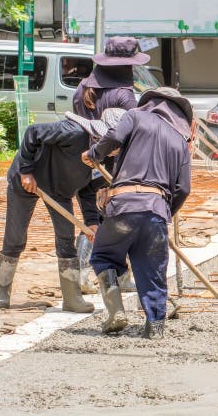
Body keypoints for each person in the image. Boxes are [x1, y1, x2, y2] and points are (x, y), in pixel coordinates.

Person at [83, 87, 193, 339]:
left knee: (104, 256)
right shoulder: (179, 141)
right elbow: (184, 188)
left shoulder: (134, 117)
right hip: (156, 212)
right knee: (152, 271)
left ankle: (116, 312)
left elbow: (113, 137)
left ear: (150, 103)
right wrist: (164, 213)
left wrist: (93, 153)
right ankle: (155, 326)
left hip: (123, 206)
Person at [0, 109, 124, 312]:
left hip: (60, 191)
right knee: (15, 237)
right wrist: (26, 171)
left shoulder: (107, 158)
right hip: (27, 182)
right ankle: (1, 293)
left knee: (66, 239)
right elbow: (33, 132)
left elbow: (87, 189)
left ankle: (72, 299)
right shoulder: (73, 132)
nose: (117, 149)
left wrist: (91, 222)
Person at [72, 36, 148, 294]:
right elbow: (132, 133)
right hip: (113, 169)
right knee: (117, 223)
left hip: (84, 163)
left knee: (92, 221)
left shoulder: (82, 88)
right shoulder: (124, 96)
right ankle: (120, 276)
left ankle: (81, 277)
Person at [72, 36, 149, 120]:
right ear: (126, 67)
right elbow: (137, 123)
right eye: (131, 65)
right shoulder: (124, 95)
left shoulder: (82, 86)